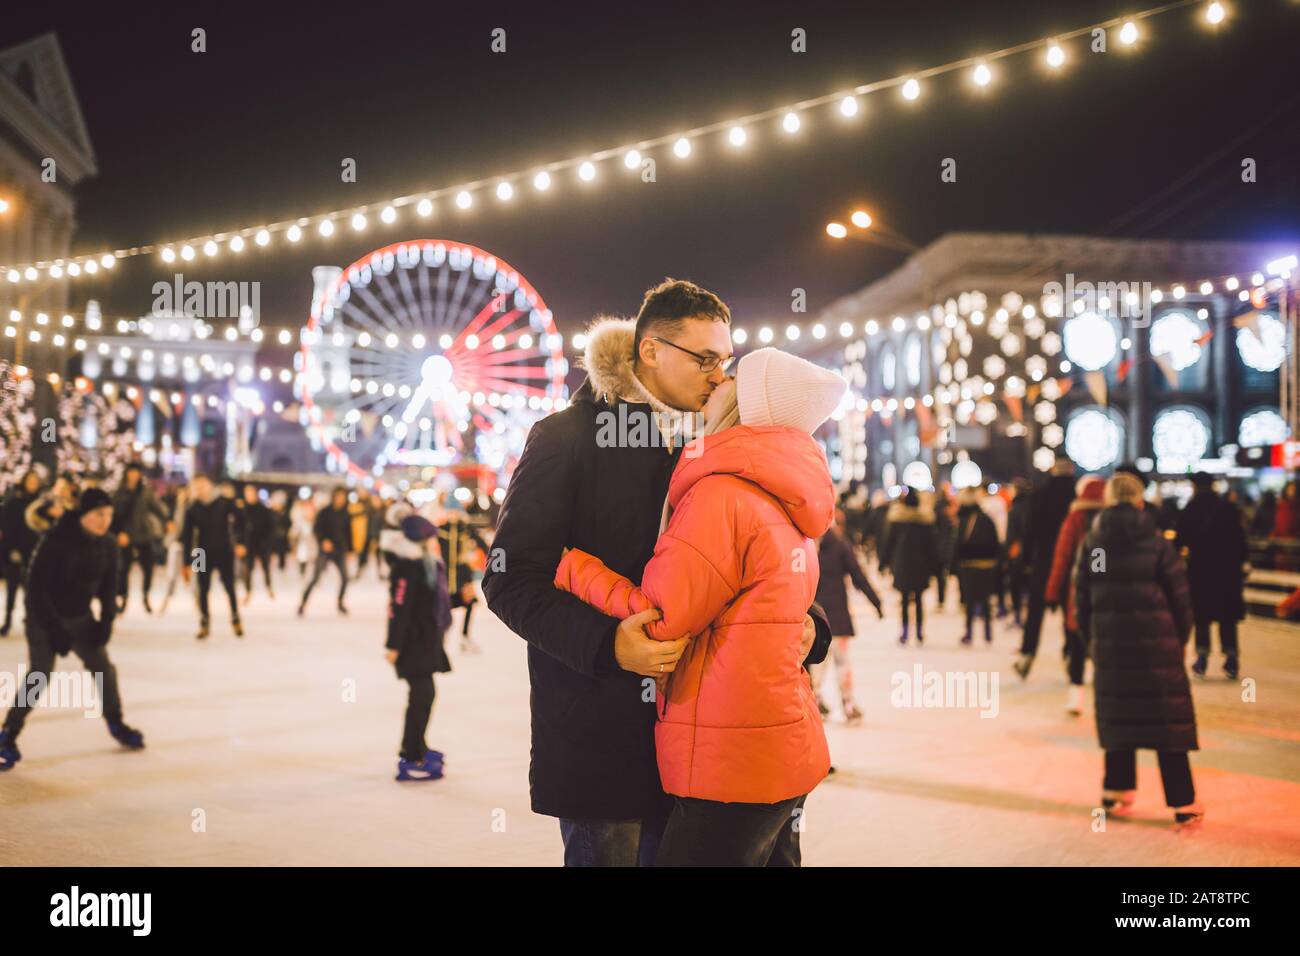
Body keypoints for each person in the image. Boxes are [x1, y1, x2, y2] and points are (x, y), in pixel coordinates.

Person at [482, 279, 832, 867]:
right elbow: (509, 578)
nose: (720, 375)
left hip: (707, 741)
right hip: (603, 730)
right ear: (650, 351)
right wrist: (606, 644)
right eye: (706, 359)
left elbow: (768, 561)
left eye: (726, 360)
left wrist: (812, 627)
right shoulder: (567, 438)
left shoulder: (719, 439)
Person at [554, 347, 846, 866]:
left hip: (732, 758)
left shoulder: (723, 495)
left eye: (731, 376)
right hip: (782, 743)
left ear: (751, 402)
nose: (716, 383)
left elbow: (662, 619)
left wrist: (575, 568)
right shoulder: (784, 491)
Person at [1073, 472, 1203, 829]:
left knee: (1120, 717)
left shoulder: (1096, 545)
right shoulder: (1157, 542)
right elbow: (1180, 597)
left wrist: (1093, 639)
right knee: (1167, 724)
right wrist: (1178, 640)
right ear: (1140, 500)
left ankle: (1116, 790)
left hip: (1111, 644)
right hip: (1157, 645)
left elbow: (1084, 597)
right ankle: (1183, 802)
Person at [0, 488, 145, 771]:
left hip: (80, 617)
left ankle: (115, 721)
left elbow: (107, 589)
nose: (104, 521)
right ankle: (8, 734)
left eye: (109, 515)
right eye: (98, 515)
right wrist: (54, 629)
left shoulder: (109, 545)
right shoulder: (55, 540)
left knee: (104, 668)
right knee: (40, 674)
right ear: (84, 515)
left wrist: (105, 623)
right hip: (44, 618)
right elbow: (36, 589)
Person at [380, 512, 453, 782]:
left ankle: (416, 747)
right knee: (422, 694)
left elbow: (432, 602)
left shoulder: (427, 565)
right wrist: (393, 645)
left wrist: (459, 598)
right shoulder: (408, 567)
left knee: (424, 695)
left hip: (426, 639)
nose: (435, 544)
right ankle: (411, 754)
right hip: (412, 643)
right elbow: (399, 608)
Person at [813, 507, 882, 724]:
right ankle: (848, 703)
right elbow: (858, 575)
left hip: (816, 619)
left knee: (816, 664)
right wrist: (876, 601)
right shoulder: (840, 545)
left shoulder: (806, 546)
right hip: (838, 619)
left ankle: (815, 699)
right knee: (841, 663)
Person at [1176, 473, 1248, 680]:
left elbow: (1180, 539)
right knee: (1228, 617)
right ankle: (1231, 659)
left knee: (1201, 616)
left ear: (1195, 487)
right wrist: (1243, 561)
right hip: (1228, 571)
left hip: (1201, 570)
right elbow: (1239, 538)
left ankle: (1202, 658)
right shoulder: (1228, 508)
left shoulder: (1191, 508)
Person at [1045, 475, 1105, 715]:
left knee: (1076, 644)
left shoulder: (1074, 519)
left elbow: (1062, 557)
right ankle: (1102, 694)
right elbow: (1101, 561)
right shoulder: (1106, 521)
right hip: (1102, 592)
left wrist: (1052, 590)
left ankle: (1075, 693)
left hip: (1076, 590)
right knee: (1100, 644)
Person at [1013, 456, 1076, 679]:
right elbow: (1096, 544)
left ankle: (1027, 652)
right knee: (1072, 610)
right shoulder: (1077, 494)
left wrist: (1027, 561)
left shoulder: (1040, 493)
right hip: (1073, 563)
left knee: (1035, 611)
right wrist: (1099, 568)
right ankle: (1071, 652)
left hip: (1044, 561)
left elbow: (1029, 531)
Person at [180, 475, 245, 639]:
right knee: (202, 588)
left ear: (210, 485)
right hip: (200, 553)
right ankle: (204, 622)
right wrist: (187, 563)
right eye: (197, 487)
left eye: (202, 486)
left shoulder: (224, 502)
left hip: (224, 550)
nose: (200, 490)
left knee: (229, 586)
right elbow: (187, 537)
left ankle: (236, 618)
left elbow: (241, 520)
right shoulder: (192, 508)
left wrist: (240, 542)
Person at [878, 486, 939, 645]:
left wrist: (883, 563)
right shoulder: (925, 521)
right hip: (921, 566)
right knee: (918, 599)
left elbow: (888, 544)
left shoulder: (897, 520)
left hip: (903, 564)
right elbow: (931, 546)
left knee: (905, 599)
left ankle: (904, 631)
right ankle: (919, 631)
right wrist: (936, 568)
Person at [110, 463, 167, 614]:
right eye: (132, 472)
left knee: (148, 568)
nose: (134, 475)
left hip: (143, 534)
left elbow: (157, 508)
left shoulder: (145, 492)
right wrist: (119, 533)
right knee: (123, 570)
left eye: (137, 472)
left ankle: (146, 596)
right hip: (126, 536)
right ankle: (124, 598)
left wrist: (168, 520)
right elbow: (114, 516)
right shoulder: (119, 493)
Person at [952, 486, 1000, 646]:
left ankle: (970, 632)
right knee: (984, 599)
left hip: (969, 564)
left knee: (970, 599)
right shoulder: (986, 519)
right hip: (986, 564)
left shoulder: (964, 520)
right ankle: (987, 631)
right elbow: (995, 542)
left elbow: (958, 543)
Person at [1, 471, 43, 636]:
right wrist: (11, 549)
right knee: (11, 589)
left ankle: (30, 620)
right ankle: (8, 620)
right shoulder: (14, 502)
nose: (32, 484)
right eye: (30, 480)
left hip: (33, 552)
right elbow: (7, 526)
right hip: (14, 551)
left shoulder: (40, 503)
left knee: (31, 590)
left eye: (35, 480)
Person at [298, 487, 352, 616]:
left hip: (340, 550)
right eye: (339, 496)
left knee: (345, 578)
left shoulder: (345, 513)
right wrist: (323, 541)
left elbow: (348, 533)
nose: (341, 500)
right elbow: (317, 530)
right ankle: (303, 603)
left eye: (343, 497)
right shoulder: (325, 512)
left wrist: (350, 549)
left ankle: (340, 603)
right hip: (325, 550)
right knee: (315, 578)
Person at [237, 485, 276, 602]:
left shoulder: (264, 510)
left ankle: (269, 587)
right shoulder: (242, 510)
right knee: (248, 569)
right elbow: (238, 528)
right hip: (248, 544)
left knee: (265, 567)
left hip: (262, 544)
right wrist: (239, 543)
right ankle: (248, 591)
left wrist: (269, 544)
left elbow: (270, 527)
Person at [1003, 479, 1031, 626]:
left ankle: (1018, 615)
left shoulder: (1015, 509)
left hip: (1017, 552)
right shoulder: (1032, 507)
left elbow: (1010, 534)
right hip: (1031, 553)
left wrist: (1008, 553)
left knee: (1016, 586)